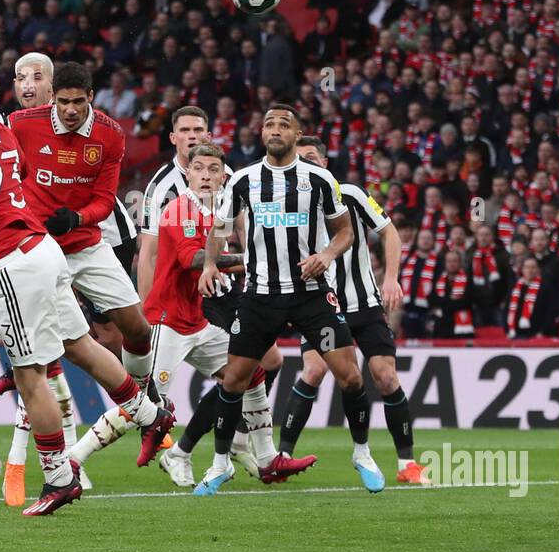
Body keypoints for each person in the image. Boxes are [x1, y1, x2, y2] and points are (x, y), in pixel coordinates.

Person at [0, 63, 170, 513]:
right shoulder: (3, 133)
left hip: (13, 263)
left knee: (30, 377)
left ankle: (59, 478)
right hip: (44, 249)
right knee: (79, 345)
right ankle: (151, 414)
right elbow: (16, 171)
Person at [194, 104, 382, 494]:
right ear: (261, 133)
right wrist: (210, 265)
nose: (275, 129)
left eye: (284, 124)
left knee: (349, 376)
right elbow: (220, 228)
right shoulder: (243, 180)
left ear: (297, 135)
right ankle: (219, 464)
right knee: (233, 381)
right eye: (269, 124)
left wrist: (326, 255)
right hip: (260, 298)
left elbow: (345, 231)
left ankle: (362, 453)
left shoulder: (318, 179)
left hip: (311, 297)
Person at [146, 143, 316, 490]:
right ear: (188, 170)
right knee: (145, 405)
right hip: (183, 309)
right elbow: (185, 258)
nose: (206, 175)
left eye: (213, 170)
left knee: (258, 367)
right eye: (199, 168)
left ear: (223, 175)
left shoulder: (223, 203)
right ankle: (75, 457)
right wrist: (248, 260)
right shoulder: (176, 204)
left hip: (212, 303)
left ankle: (250, 451)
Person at [9, 62, 163, 440]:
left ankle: (142, 396)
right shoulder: (22, 123)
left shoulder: (110, 135)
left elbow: (105, 200)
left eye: (79, 102)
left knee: (138, 328)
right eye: (63, 102)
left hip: (86, 244)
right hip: (38, 248)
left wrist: (77, 218)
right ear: (53, 100)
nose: (71, 110)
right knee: (53, 349)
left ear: (91, 98)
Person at [278, 137, 428, 485]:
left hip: (365, 304)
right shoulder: (289, 204)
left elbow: (390, 234)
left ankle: (407, 464)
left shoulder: (352, 195)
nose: (308, 164)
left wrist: (391, 278)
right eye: (300, 160)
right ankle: (283, 456)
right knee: (313, 371)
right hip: (319, 308)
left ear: (325, 163)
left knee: (386, 378)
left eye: (312, 158)